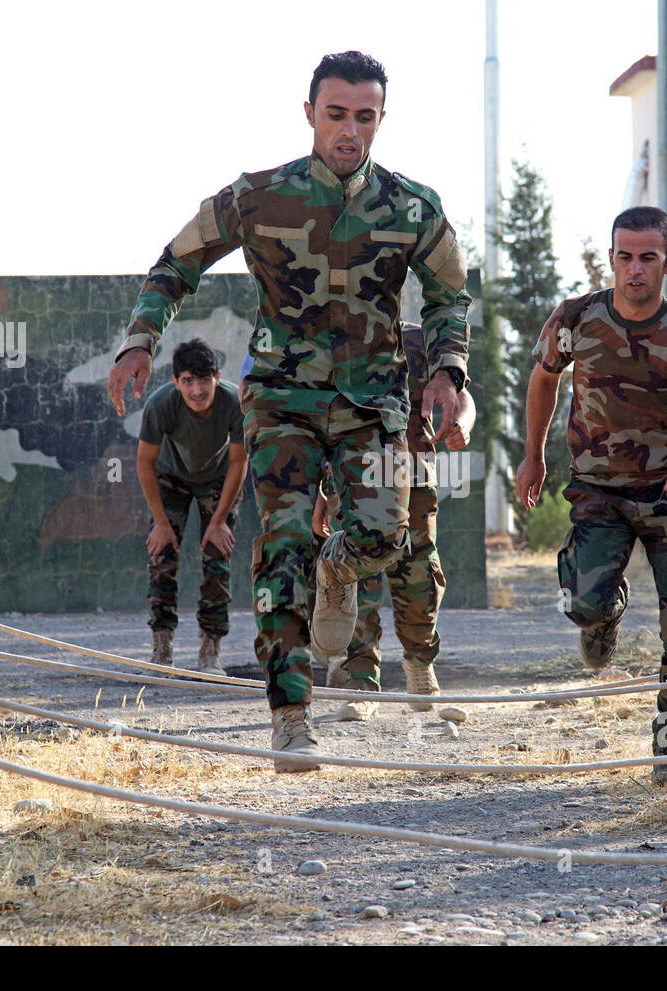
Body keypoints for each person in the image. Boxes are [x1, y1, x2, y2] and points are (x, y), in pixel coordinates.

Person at [107, 51, 471, 772]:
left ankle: (342, 564)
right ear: (310, 114)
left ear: (380, 120)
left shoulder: (412, 206)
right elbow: (177, 262)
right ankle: (291, 715)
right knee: (282, 550)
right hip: (282, 402)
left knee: (383, 538)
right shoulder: (259, 197)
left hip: (374, 404)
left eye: (364, 116)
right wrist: (141, 340)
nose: (349, 130)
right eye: (336, 113)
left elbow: (450, 295)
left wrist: (451, 370)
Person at [515, 206, 667, 786]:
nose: (634, 270)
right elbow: (543, 379)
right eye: (624, 257)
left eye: (647, 258)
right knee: (581, 604)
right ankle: (603, 614)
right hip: (598, 491)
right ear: (610, 258)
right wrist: (534, 454)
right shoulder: (576, 318)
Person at [317, 322, 475, 720]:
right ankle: (360, 680)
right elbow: (310, 419)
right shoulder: (331, 337)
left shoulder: (421, 339)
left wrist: (461, 426)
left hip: (414, 475)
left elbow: (462, 397)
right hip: (351, 477)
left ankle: (420, 666)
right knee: (358, 578)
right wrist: (317, 488)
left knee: (420, 575)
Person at [137, 340, 246, 676]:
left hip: (219, 481)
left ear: (217, 377)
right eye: (187, 381)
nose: (196, 390)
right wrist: (160, 522)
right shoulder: (161, 405)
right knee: (162, 555)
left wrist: (219, 521)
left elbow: (240, 461)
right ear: (176, 382)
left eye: (203, 380)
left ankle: (209, 653)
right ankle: (162, 650)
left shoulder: (234, 403)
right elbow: (144, 462)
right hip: (171, 478)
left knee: (217, 556)